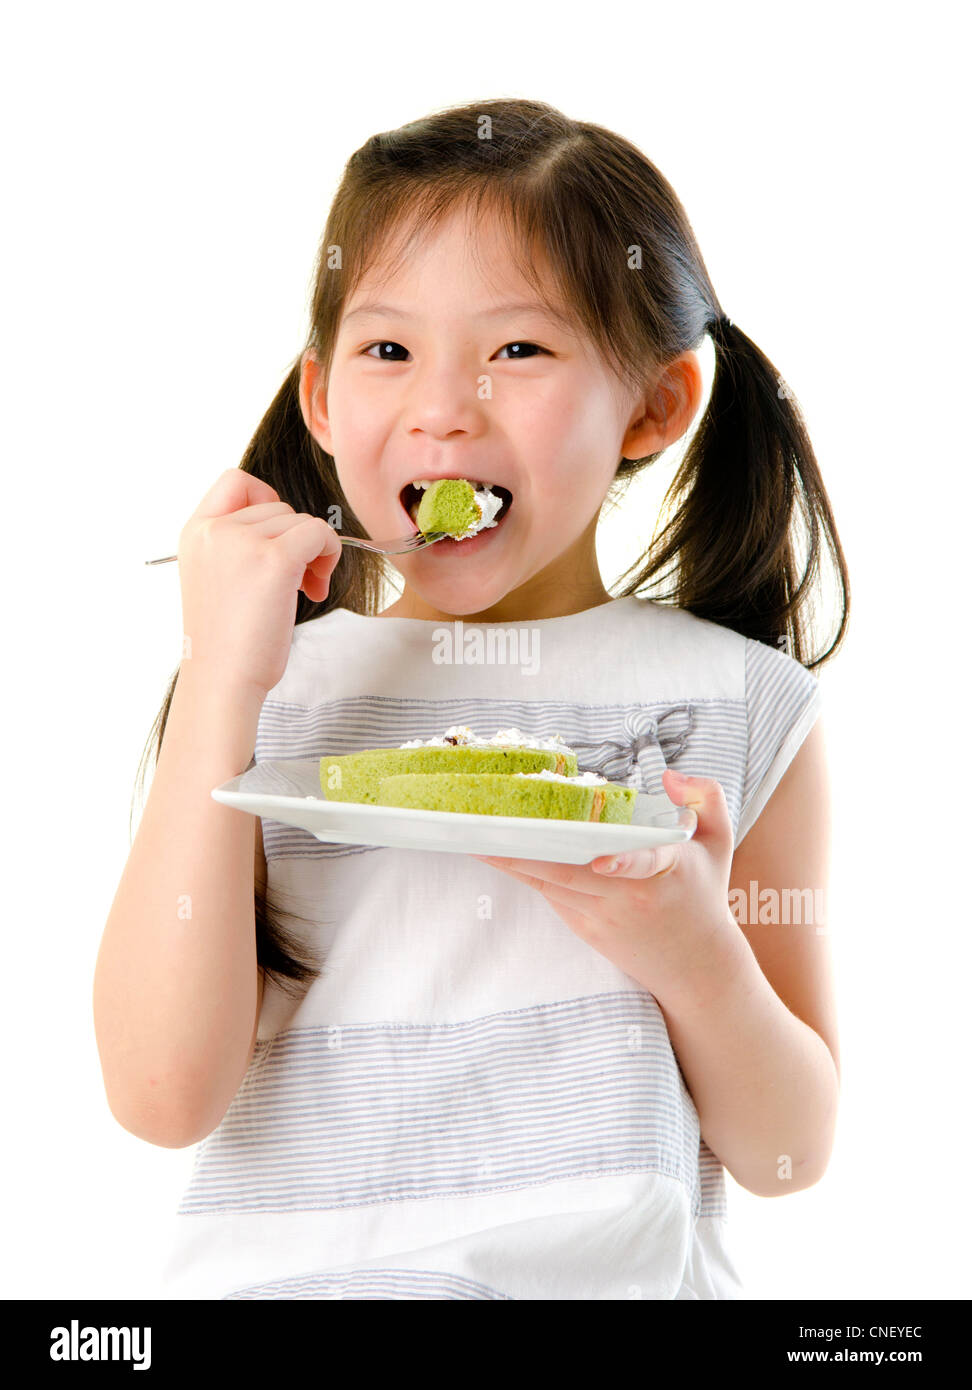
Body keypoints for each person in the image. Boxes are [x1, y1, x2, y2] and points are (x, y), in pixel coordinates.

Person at [93, 97, 848, 1300]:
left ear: (653, 405)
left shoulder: (738, 699)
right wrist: (223, 677)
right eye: (388, 350)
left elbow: (789, 1151)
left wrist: (692, 954)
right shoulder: (267, 689)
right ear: (324, 401)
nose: (443, 406)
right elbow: (158, 1096)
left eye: (518, 350)